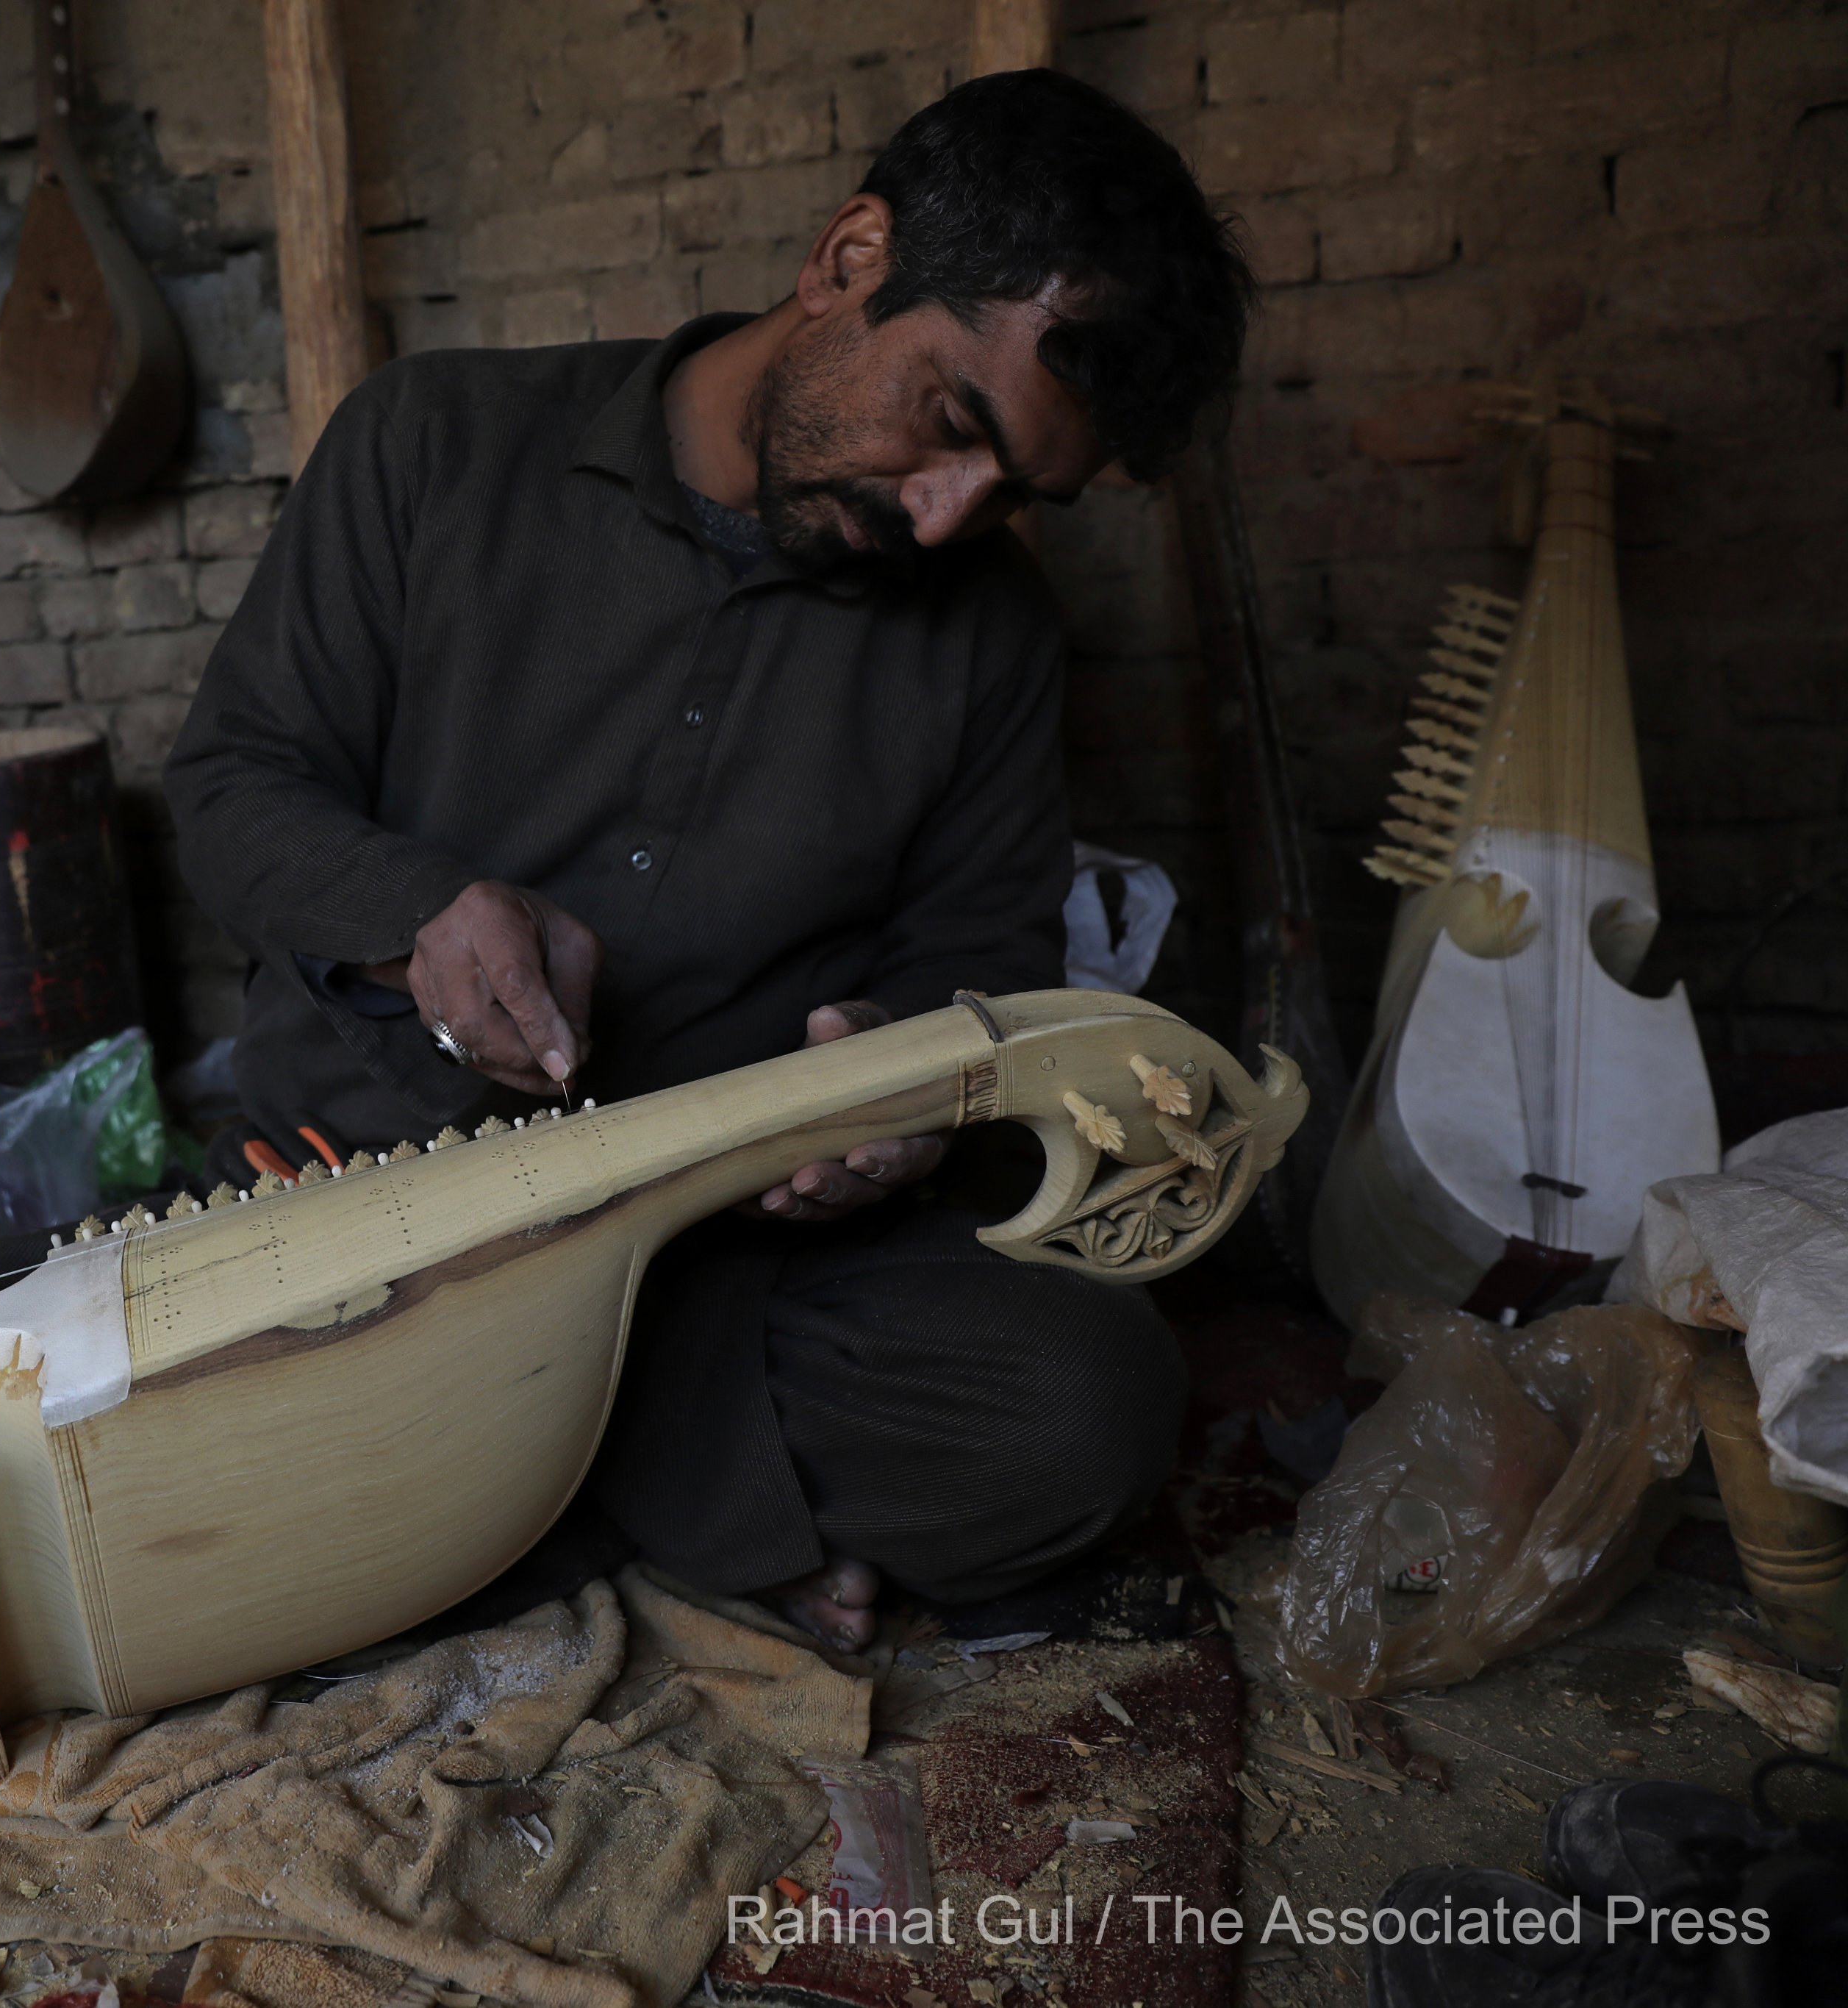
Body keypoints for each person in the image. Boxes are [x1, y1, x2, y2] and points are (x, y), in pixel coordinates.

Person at [162, 71, 1253, 1648]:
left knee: (1083, 1408)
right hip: (372, 1215)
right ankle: (695, 1506)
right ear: (849, 258)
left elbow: (981, 966)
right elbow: (231, 784)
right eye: (953, 422)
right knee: (118, 1449)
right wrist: (417, 918)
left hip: (718, 1268)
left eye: (1018, 492)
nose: (945, 517)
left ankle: (499, 1504)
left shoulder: (991, 632)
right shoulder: (431, 442)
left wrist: (896, 1094)